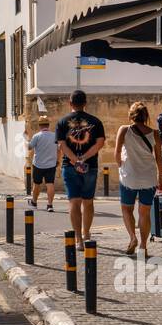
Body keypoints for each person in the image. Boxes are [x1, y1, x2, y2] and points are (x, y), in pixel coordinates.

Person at [114, 102, 162, 257]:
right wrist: (160, 178)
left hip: (129, 177)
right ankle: (143, 247)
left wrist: (121, 165)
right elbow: (159, 159)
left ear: (131, 115)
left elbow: (116, 154)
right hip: (148, 178)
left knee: (126, 209)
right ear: (146, 116)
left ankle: (132, 238)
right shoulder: (154, 133)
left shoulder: (124, 130)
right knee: (145, 213)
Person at [56, 90, 106, 251]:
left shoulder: (62, 122)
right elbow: (100, 143)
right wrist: (84, 158)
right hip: (90, 165)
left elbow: (62, 145)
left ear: (70, 103)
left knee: (74, 202)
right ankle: (86, 233)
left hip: (69, 166)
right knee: (88, 202)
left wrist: (74, 160)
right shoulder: (96, 121)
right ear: (85, 103)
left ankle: (78, 239)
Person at [26, 115, 58, 212]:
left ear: (40, 126)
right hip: (51, 164)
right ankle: (50, 205)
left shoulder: (37, 136)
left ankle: (34, 202)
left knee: (37, 184)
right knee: (50, 184)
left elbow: (29, 147)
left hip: (38, 164)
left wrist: (27, 140)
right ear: (48, 125)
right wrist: (58, 160)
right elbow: (60, 149)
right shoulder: (54, 136)